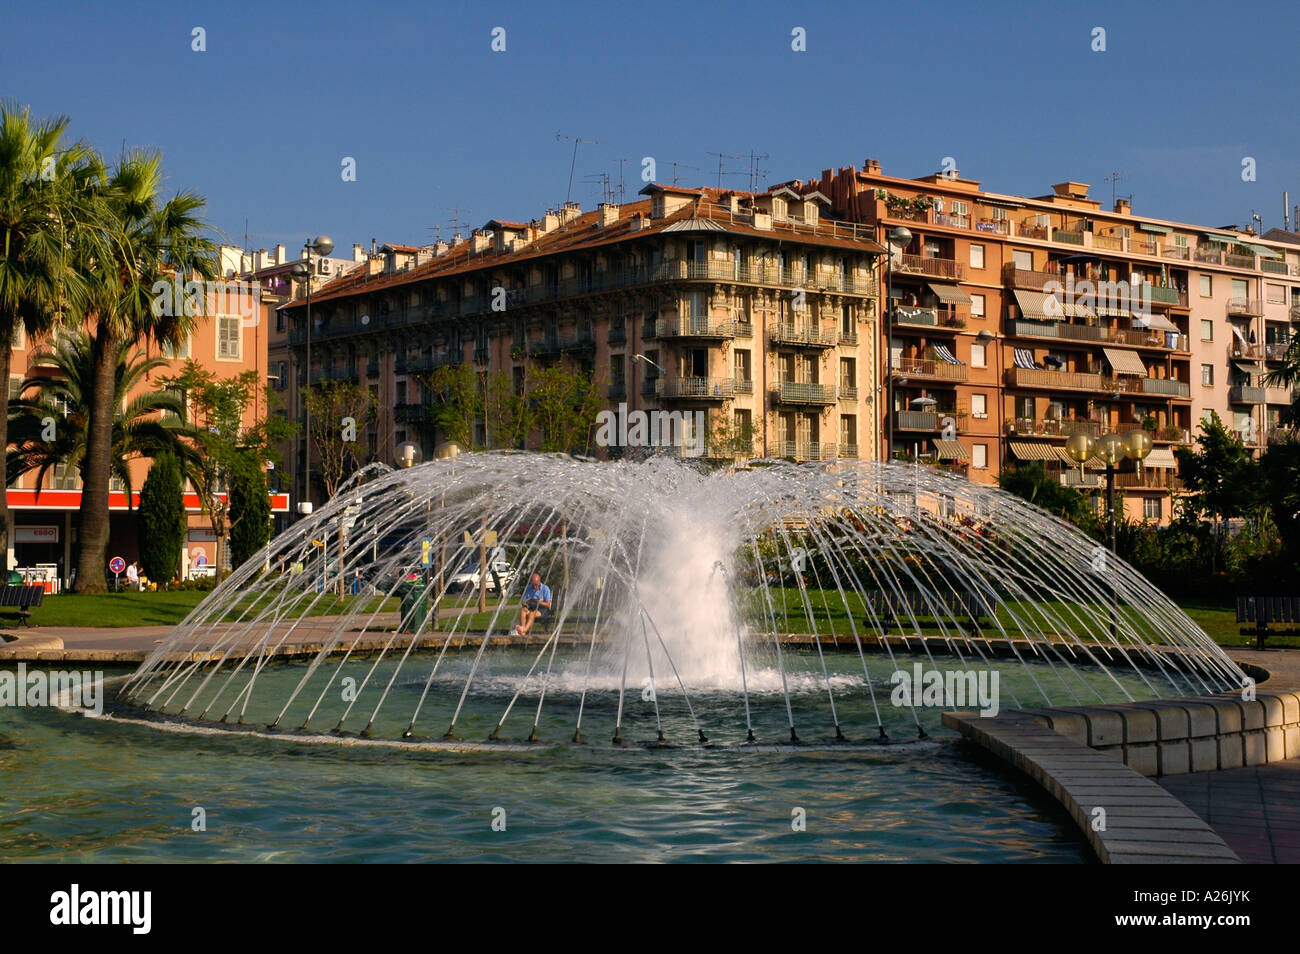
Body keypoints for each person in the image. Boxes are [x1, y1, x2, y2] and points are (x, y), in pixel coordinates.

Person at [512, 572, 552, 637]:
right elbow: (524, 601)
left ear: (539, 581)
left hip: (543, 610)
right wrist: (525, 605)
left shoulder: (545, 589)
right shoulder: (529, 588)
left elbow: (548, 605)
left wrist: (537, 601)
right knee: (523, 611)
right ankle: (523, 630)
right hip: (532, 608)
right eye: (534, 584)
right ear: (531, 582)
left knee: (532, 614)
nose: (535, 586)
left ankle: (523, 630)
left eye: (536, 584)